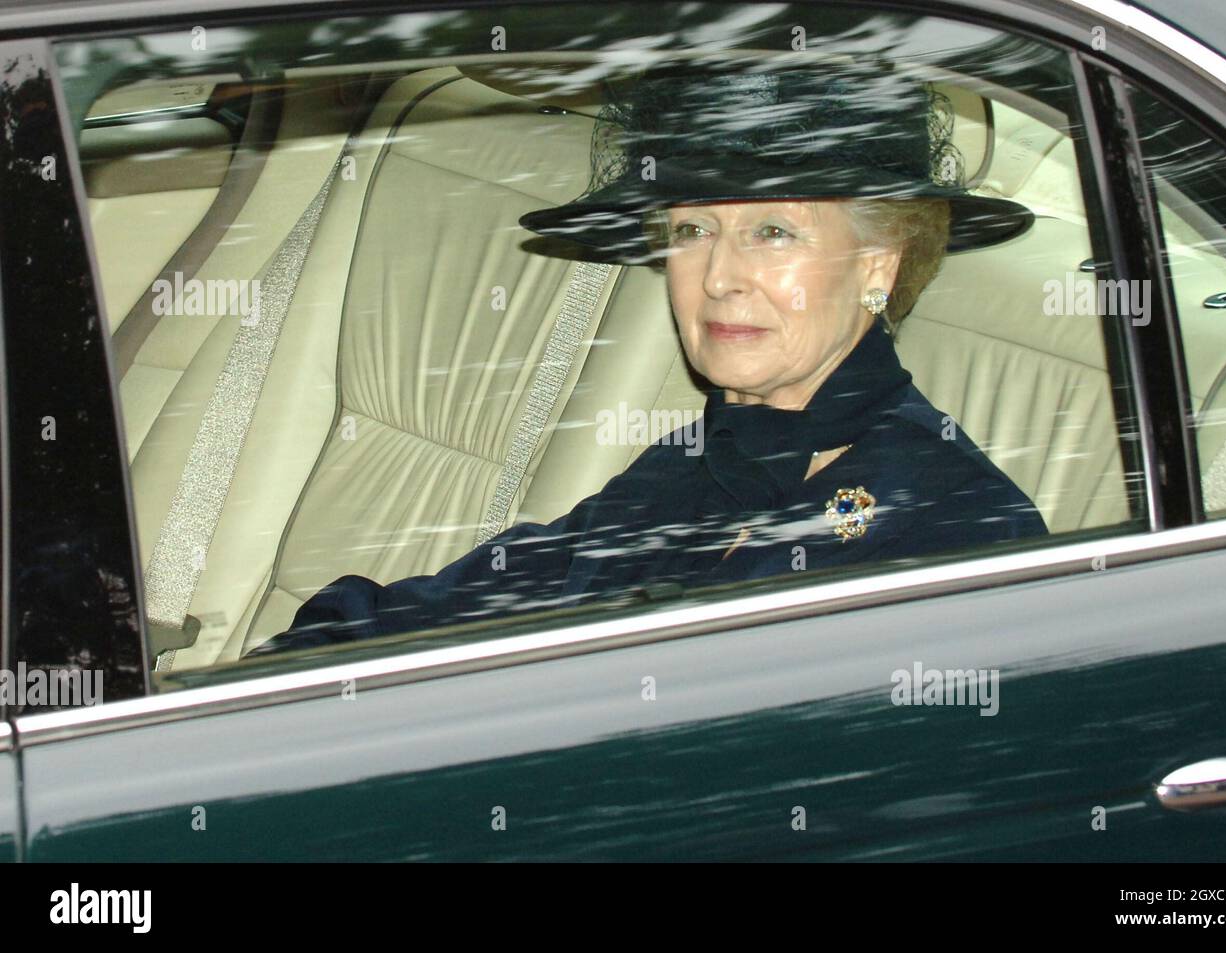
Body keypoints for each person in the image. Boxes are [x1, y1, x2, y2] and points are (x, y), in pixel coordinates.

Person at [247, 62, 1047, 656]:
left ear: (879, 263)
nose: (719, 278)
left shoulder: (960, 525)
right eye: (692, 230)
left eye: (774, 231)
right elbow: (456, 608)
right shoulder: (693, 461)